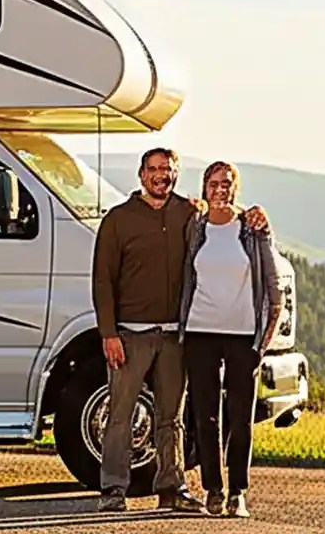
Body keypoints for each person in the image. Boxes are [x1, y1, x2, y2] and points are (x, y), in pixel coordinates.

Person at [91, 147, 268, 513]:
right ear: (141, 175)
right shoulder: (118, 220)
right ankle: (113, 489)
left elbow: (225, 213)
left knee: (171, 417)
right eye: (153, 169)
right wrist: (108, 332)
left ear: (176, 174)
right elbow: (102, 281)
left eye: (167, 170)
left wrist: (256, 213)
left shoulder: (189, 212)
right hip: (129, 334)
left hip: (175, 335)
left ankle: (171, 488)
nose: (160, 176)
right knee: (121, 414)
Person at [178, 161, 286, 518]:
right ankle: (212, 489)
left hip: (243, 336)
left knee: (240, 416)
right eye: (213, 183)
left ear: (235, 188)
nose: (220, 189)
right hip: (200, 330)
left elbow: (274, 289)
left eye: (226, 183)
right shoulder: (195, 227)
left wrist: (264, 339)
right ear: (205, 187)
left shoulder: (252, 229)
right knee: (205, 416)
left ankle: (237, 491)